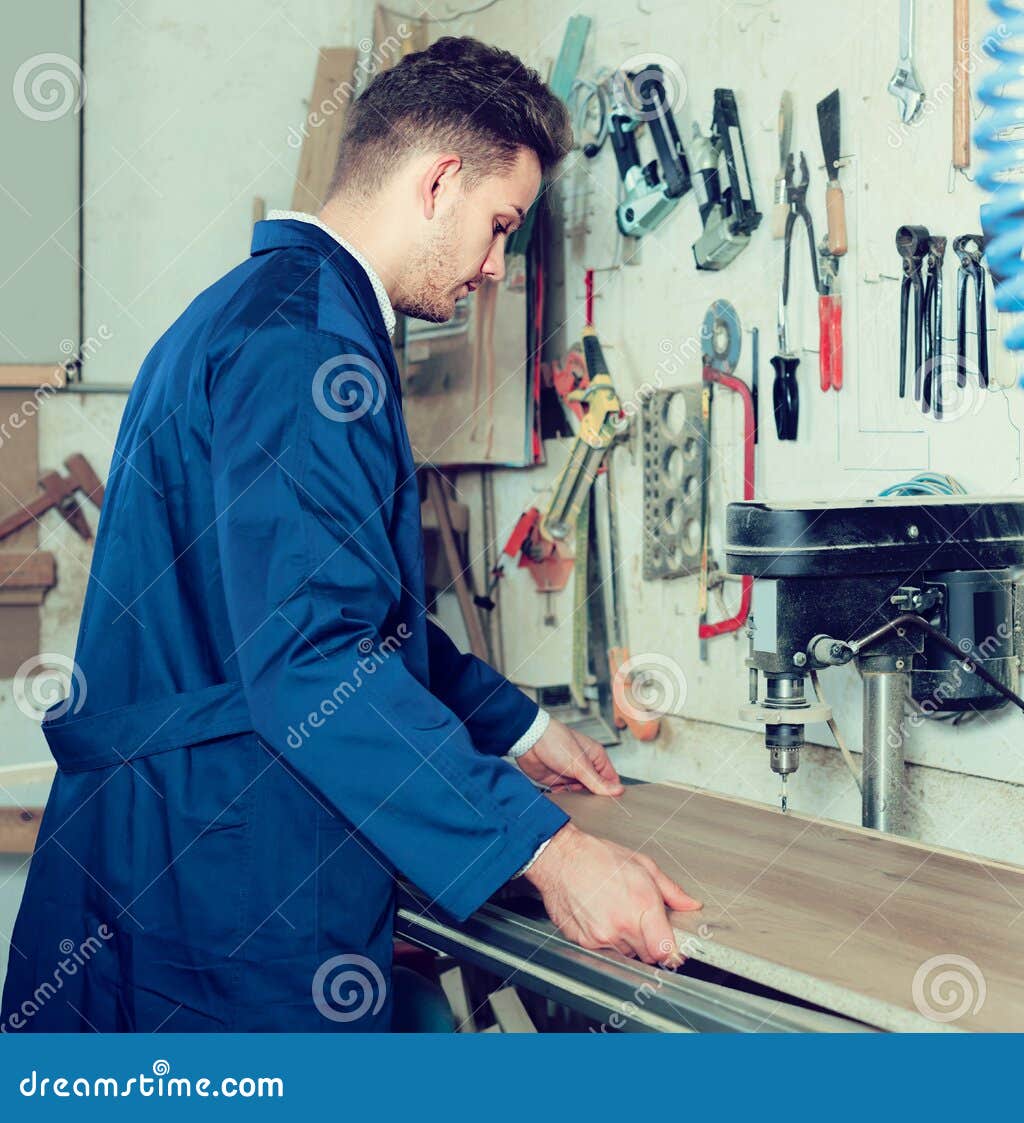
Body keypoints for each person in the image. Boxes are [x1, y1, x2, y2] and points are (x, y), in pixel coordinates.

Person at [2, 37, 697, 1033]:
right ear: (437, 181)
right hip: (224, 875)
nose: (495, 268)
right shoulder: (303, 347)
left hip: (179, 840)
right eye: (499, 228)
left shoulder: (244, 314)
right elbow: (314, 661)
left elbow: (346, 611)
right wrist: (552, 852)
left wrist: (519, 728)